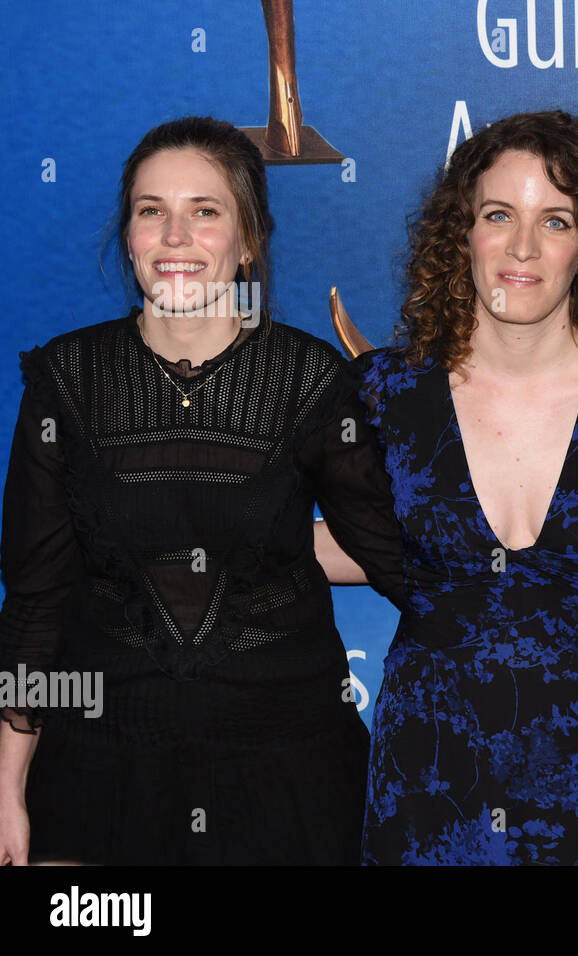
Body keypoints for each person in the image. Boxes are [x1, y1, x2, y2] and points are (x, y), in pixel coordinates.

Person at [0, 116, 405, 865]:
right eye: (151, 211)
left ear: (248, 240)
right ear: (129, 237)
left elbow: (398, 557)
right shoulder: (66, 380)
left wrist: (566, 622)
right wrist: (6, 792)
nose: (175, 235)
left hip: (288, 772)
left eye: (205, 211)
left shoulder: (311, 380)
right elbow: (35, 596)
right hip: (99, 766)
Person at [314, 110, 578, 865]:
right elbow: (355, 544)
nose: (522, 248)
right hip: (429, 775)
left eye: (555, 221)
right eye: (499, 215)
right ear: (462, 234)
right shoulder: (387, 392)